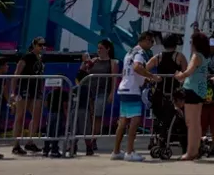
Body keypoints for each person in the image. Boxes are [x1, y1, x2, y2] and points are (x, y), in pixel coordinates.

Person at [113, 31, 156, 161]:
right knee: (135, 121)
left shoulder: (129, 52)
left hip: (124, 88)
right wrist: (151, 76)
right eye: (151, 41)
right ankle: (130, 151)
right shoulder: (140, 53)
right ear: (145, 40)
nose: (152, 44)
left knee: (123, 121)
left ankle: (116, 151)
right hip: (133, 89)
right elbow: (137, 67)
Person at [174, 31, 214, 160]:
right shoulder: (204, 56)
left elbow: (189, 70)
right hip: (201, 89)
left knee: (191, 122)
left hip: (192, 88)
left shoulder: (196, 56)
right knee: (196, 122)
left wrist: (180, 75)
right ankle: (195, 149)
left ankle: (191, 151)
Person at [76, 39, 120, 155]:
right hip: (90, 92)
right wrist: (84, 61)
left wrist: (112, 93)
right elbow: (82, 70)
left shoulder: (112, 63)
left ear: (107, 49)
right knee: (89, 116)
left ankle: (93, 139)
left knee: (97, 116)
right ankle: (90, 138)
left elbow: (114, 78)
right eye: (98, 48)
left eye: (101, 48)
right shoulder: (94, 60)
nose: (98, 50)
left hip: (102, 92)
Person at [147, 33, 186, 156]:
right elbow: (185, 73)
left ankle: (161, 139)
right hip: (174, 94)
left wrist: (151, 78)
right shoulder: (179, 57)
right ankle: (179, 142)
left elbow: (145, 68)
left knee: (162, 119)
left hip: (160, 93)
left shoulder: (158, 57)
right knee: (177, 118)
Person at [10, 37, 48, 155]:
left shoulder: (41, 59)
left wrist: (42, 91)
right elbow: (17, 73)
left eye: (43, 45)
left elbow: (41, 76)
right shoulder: (26, 57)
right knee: (20, 116)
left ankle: (30, 142)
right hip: (24, 88)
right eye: (40, 45)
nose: (42, 47)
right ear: (34, 45)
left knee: (36, 115)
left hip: (36, 89)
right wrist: (13, 92)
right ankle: (16, 144)